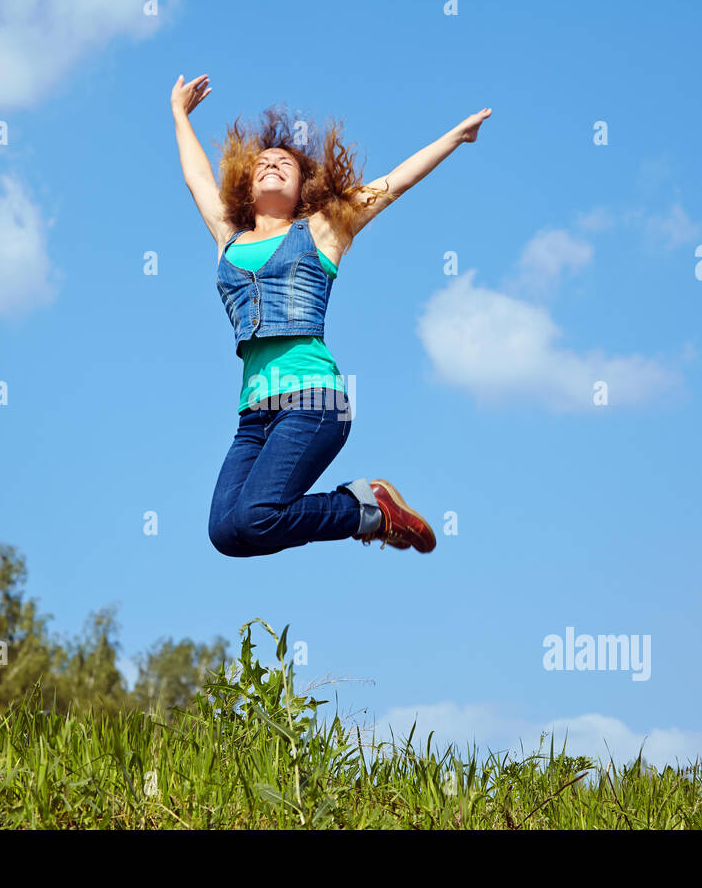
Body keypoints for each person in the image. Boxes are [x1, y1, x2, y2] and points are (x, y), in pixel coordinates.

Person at [170, 73, 490, 557]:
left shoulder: (322, 231)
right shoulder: (228, 239)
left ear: (302, 188)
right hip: (253, 414)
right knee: (226, 533)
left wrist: (454, 137)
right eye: (263, 163)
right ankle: (369, 510)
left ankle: (370, 510)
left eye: (285, 163)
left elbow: (393, 183)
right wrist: (179, 114)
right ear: (245, 183)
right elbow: (197, 178)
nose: (272, 164)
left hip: (315, 401)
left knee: (256, 519)